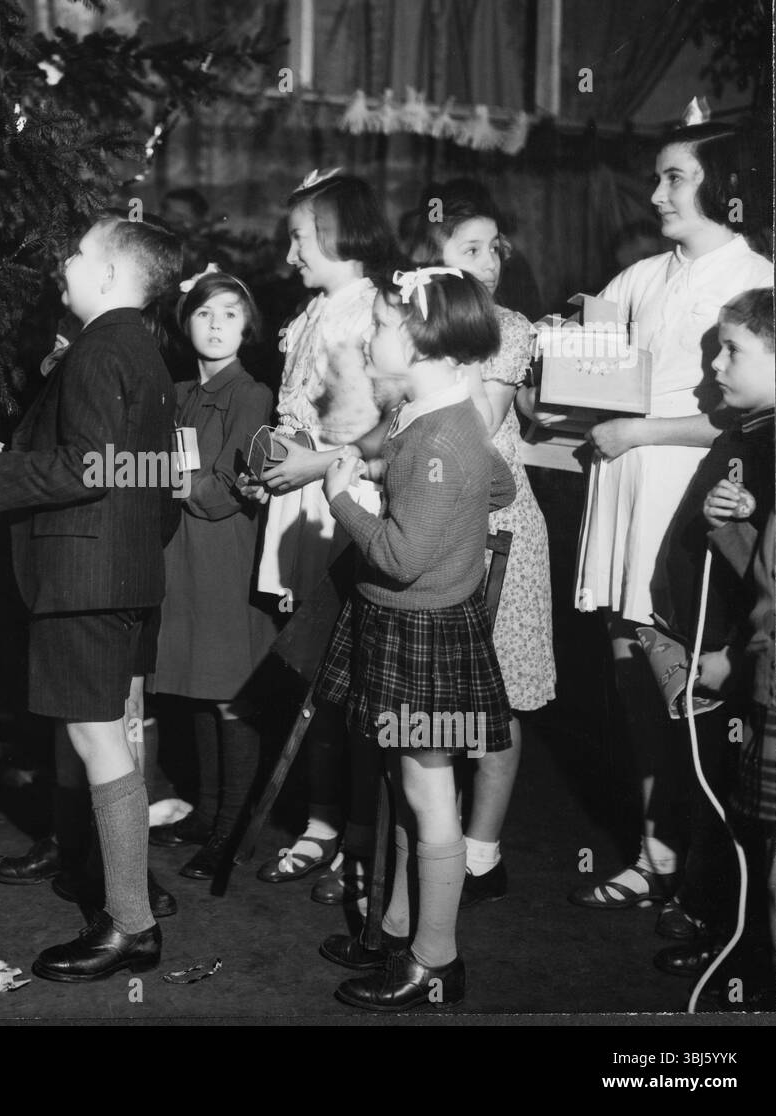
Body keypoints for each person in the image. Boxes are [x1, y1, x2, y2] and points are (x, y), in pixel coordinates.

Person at [0, 214, 182, 982]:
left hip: (84, 578)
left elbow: (92, 466)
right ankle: (123, 902)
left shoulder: (101, 349)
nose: (63, 263)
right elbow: (140, 478)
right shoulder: (144, 351)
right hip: (122, 572)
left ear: (108, 276)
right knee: (110, 740)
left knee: (101, 744)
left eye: (78, 253)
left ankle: (129, 926)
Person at [569, 119, 773, 911]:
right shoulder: (640, 277)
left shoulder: (754, 276)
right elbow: (584, 379)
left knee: (691, 684)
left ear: (722, 186)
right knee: (629, 672)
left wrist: (638, 432)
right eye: (656, 179)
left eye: (675, 179)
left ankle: (709, 873)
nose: (657, 195)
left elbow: (748, 412)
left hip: (695, 501)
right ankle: (656, 848)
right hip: (622, 493)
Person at [314, 267, 515, 1011]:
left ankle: (436, 959)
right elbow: (501, 489)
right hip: (413, 627)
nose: (372, 337)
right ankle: (401, 925)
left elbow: (397, 556)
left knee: (429, 796)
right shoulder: (439, 417)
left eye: (385, 327)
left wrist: (343, 498)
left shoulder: (439, 435)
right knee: (410, 783)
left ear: (426, 342)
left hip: (421, 631)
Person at [404, 184, 556, 906]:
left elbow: (476, 419)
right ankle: (425, 849)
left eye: (494, 247)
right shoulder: (404, 325)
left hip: (499, 528)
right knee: (428, 694)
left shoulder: (509, 327)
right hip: (424, 522)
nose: (490, 259)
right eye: (470, 247)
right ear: (429, 259)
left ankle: (482, 854)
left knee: (501, 693)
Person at [250, 169, 398, 899]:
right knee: (317, 673)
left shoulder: (377, 312)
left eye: (301, 238)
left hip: (349, 502)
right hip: (301, 506)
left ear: (341, 234)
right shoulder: (315, 311)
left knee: (358, 676)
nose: (290, 254)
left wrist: (314, 461)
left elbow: (387, 431)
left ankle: (365, 837)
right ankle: (321, 820)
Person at [654, 288, 776, 1009]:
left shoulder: (769, 441)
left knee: (752, 819)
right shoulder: (742, 434)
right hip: (727, 655)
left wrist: (733, 654)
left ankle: (750, 958)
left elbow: (765, 581)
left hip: (747, 661)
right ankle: (731, 933)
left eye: (734, 350)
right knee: (728, 805)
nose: (715, 364)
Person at [147, 266, 276, 880]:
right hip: (181, 555)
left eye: (230, 313)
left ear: (247, 326)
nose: (217, 324)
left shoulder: (251, 395)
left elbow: (225, 491)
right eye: (204, 312)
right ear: (186, 321)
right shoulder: (176, 392)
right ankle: (205, 810)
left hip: (224, 555)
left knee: (228, 694)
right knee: (195, 687)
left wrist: (169, 479)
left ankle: (231, 829)